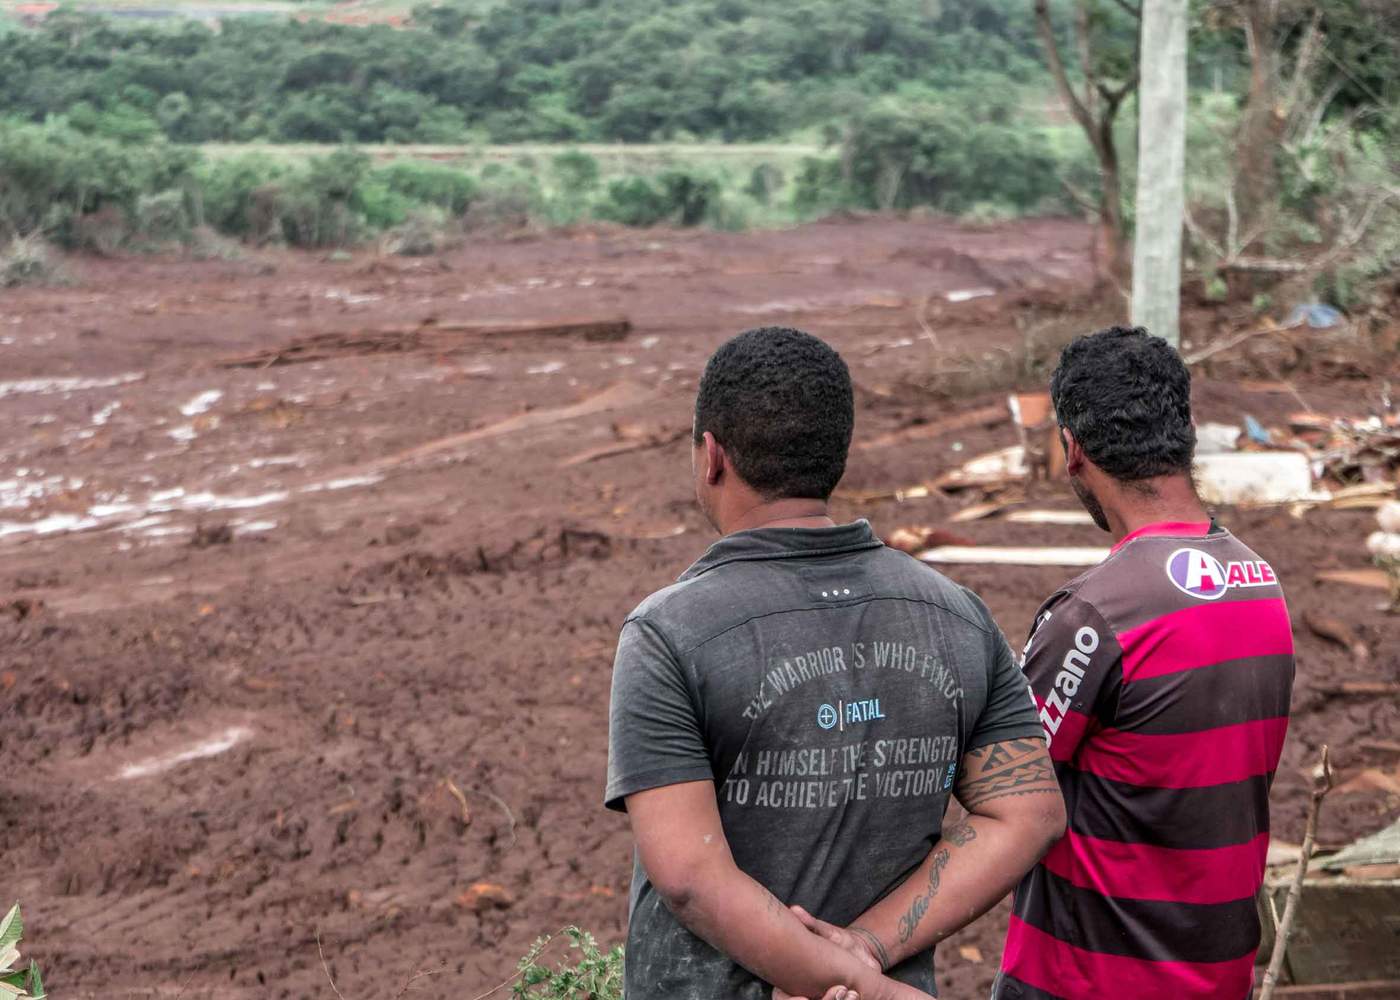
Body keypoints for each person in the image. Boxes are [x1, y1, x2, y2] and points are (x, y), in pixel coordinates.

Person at [605, 326, 1066, 1000]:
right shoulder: (955, 615)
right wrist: (869, 952)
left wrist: (846, 979)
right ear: (838, 456)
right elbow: (1026, 814)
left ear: (711, 456)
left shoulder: (669, 633)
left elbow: (690, 879)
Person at [988, 326, 1297, 999]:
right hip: (1217, 977)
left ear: (1074, 451)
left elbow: (1008, 792)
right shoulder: (1262, 584)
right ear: (1184, 431)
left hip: (1083, 981)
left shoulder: (1095, 615)